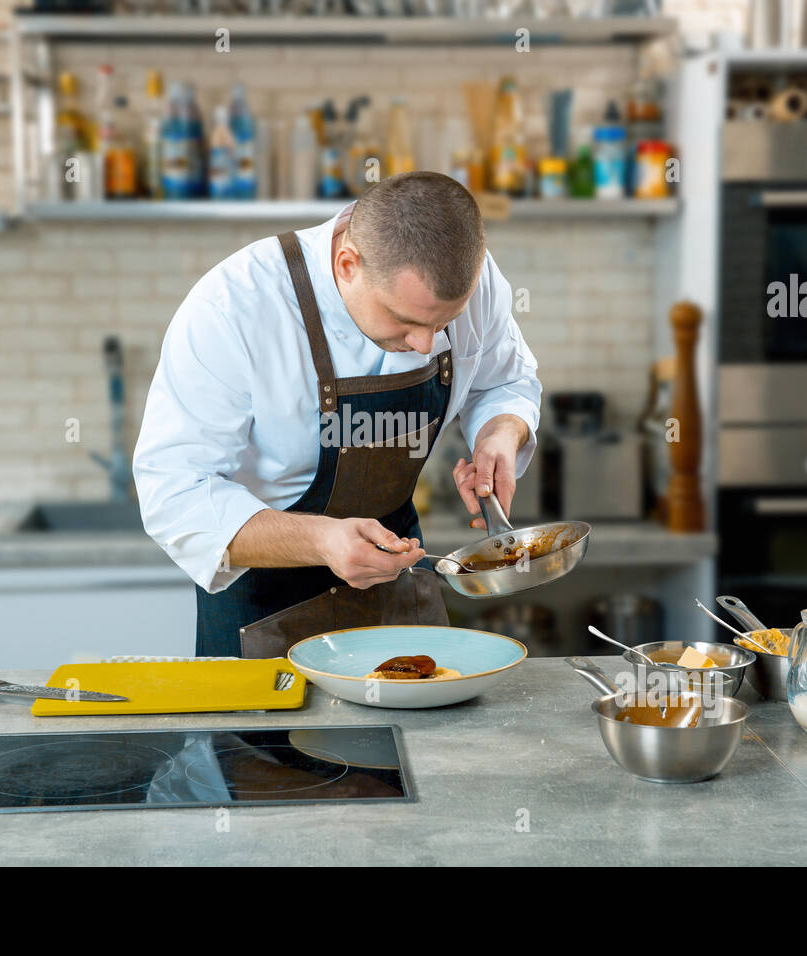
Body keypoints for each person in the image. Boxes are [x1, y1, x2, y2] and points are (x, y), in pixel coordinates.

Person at [133, 171, 542, 656]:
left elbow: (505, 381)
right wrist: (323, 540)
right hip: (261, 610)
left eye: (445, 323)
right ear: (347, 264)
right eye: (406, 321)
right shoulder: (234, 307)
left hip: (396, 591)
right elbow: (174, 494)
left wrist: (499, 435)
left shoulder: (467, 279)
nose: (425, 344)